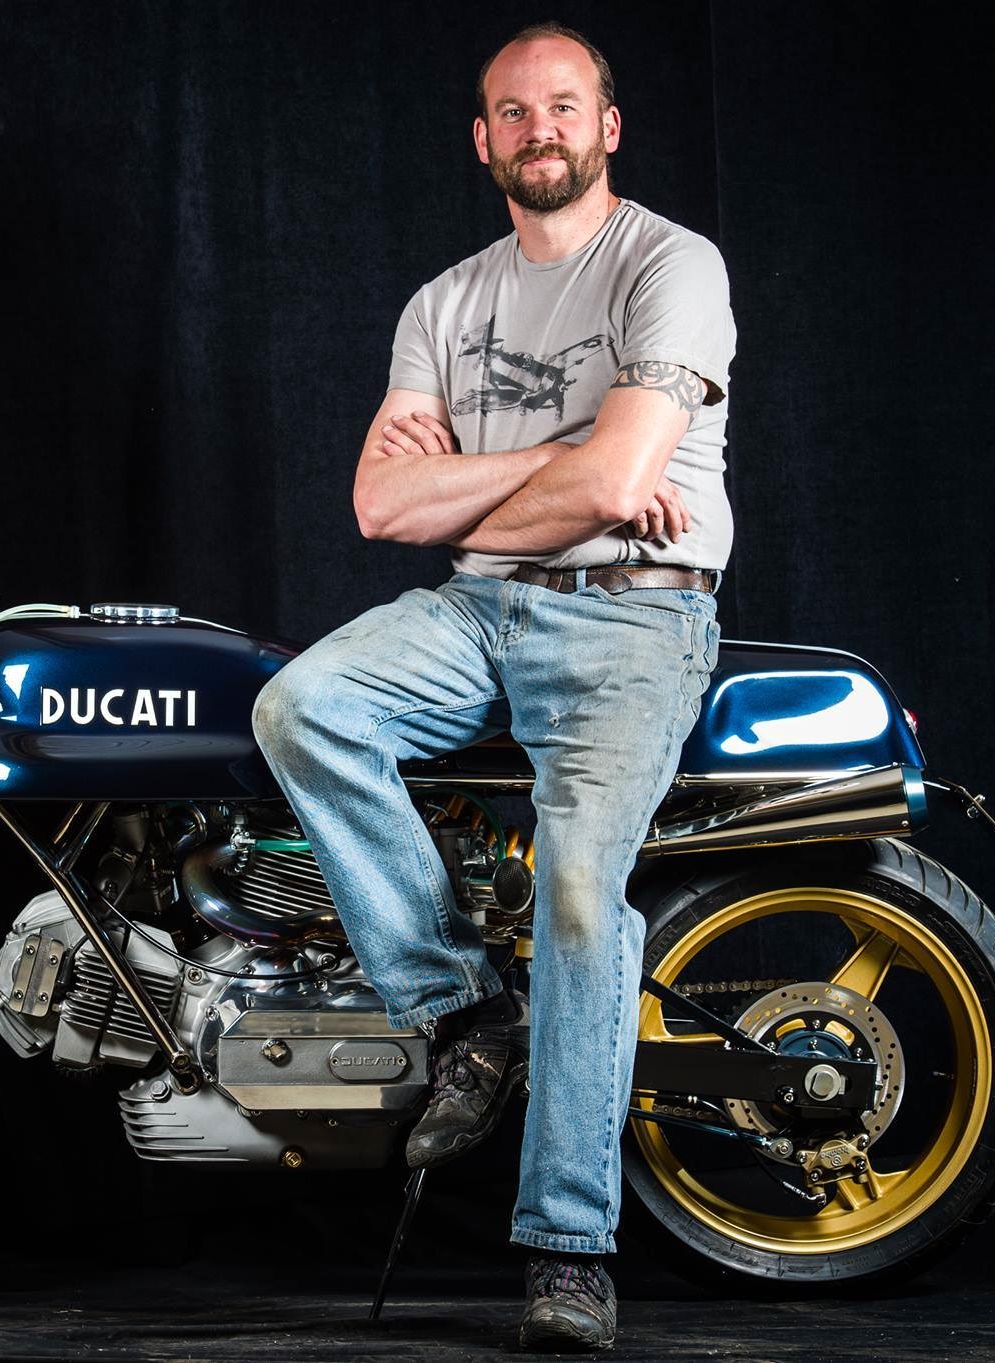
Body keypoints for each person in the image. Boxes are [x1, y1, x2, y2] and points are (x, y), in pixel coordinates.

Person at [251, 22, 735, 1354]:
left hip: (637, 618)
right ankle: (467, 1009)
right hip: (474, 611)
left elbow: (619, 490)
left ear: (608, 128)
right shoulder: (443, 305)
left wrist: (502, 484)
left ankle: (568, 1251)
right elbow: (379, 505)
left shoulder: (671, 264)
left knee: (579, 891)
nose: (540, 130)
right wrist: (574, 463)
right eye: (513, 112)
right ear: (482, 141)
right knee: (301, 706)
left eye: (564, 107)